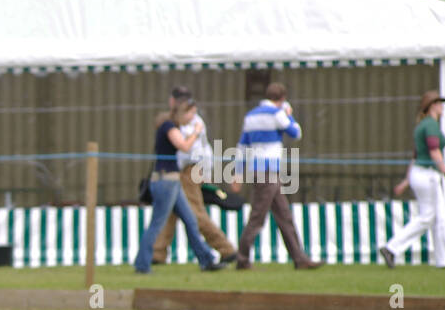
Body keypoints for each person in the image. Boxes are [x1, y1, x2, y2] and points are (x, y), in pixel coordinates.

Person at [232, 82, 322, 269]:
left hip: (257, 170)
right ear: (282, 98)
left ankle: (299, 259)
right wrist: (290, 115)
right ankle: (242, 258)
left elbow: (242, 146)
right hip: (269, 171)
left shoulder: (250, 116)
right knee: (258, 216)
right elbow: (296, 133)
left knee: (284, 215)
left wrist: (238, 173)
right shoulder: (277, 114)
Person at [135, 98, 226, 273]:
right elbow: (184, 146)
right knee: (157, 224)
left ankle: (206, 260)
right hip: (165, 181)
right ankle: (142, 264)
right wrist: (196, 133)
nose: (193, 118)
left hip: (173, 181)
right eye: (191, 114)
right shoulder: (169, 127)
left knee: (191, 220)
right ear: (181, 113)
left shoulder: (170, 126)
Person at [152, 86, 238, 265]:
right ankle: (158, 253)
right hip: (183, 169)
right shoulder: (182, 119)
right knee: (169, 212)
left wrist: (204, 172)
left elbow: (191, 148)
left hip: (190, 169)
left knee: (195, 212)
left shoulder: (190, 122)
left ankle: (226, 249)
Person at [380, 91, 445, 268]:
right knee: (433, 217)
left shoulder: (422, 126)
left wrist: (406, 181)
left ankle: (442, 260)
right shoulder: (431, 125)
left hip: (419, 173)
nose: (442, 107)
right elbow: (434, 151)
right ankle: (392, 248)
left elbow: (415, 156)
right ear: (432, 106)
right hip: (429, 175)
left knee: (433, 217)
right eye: (439, 103)